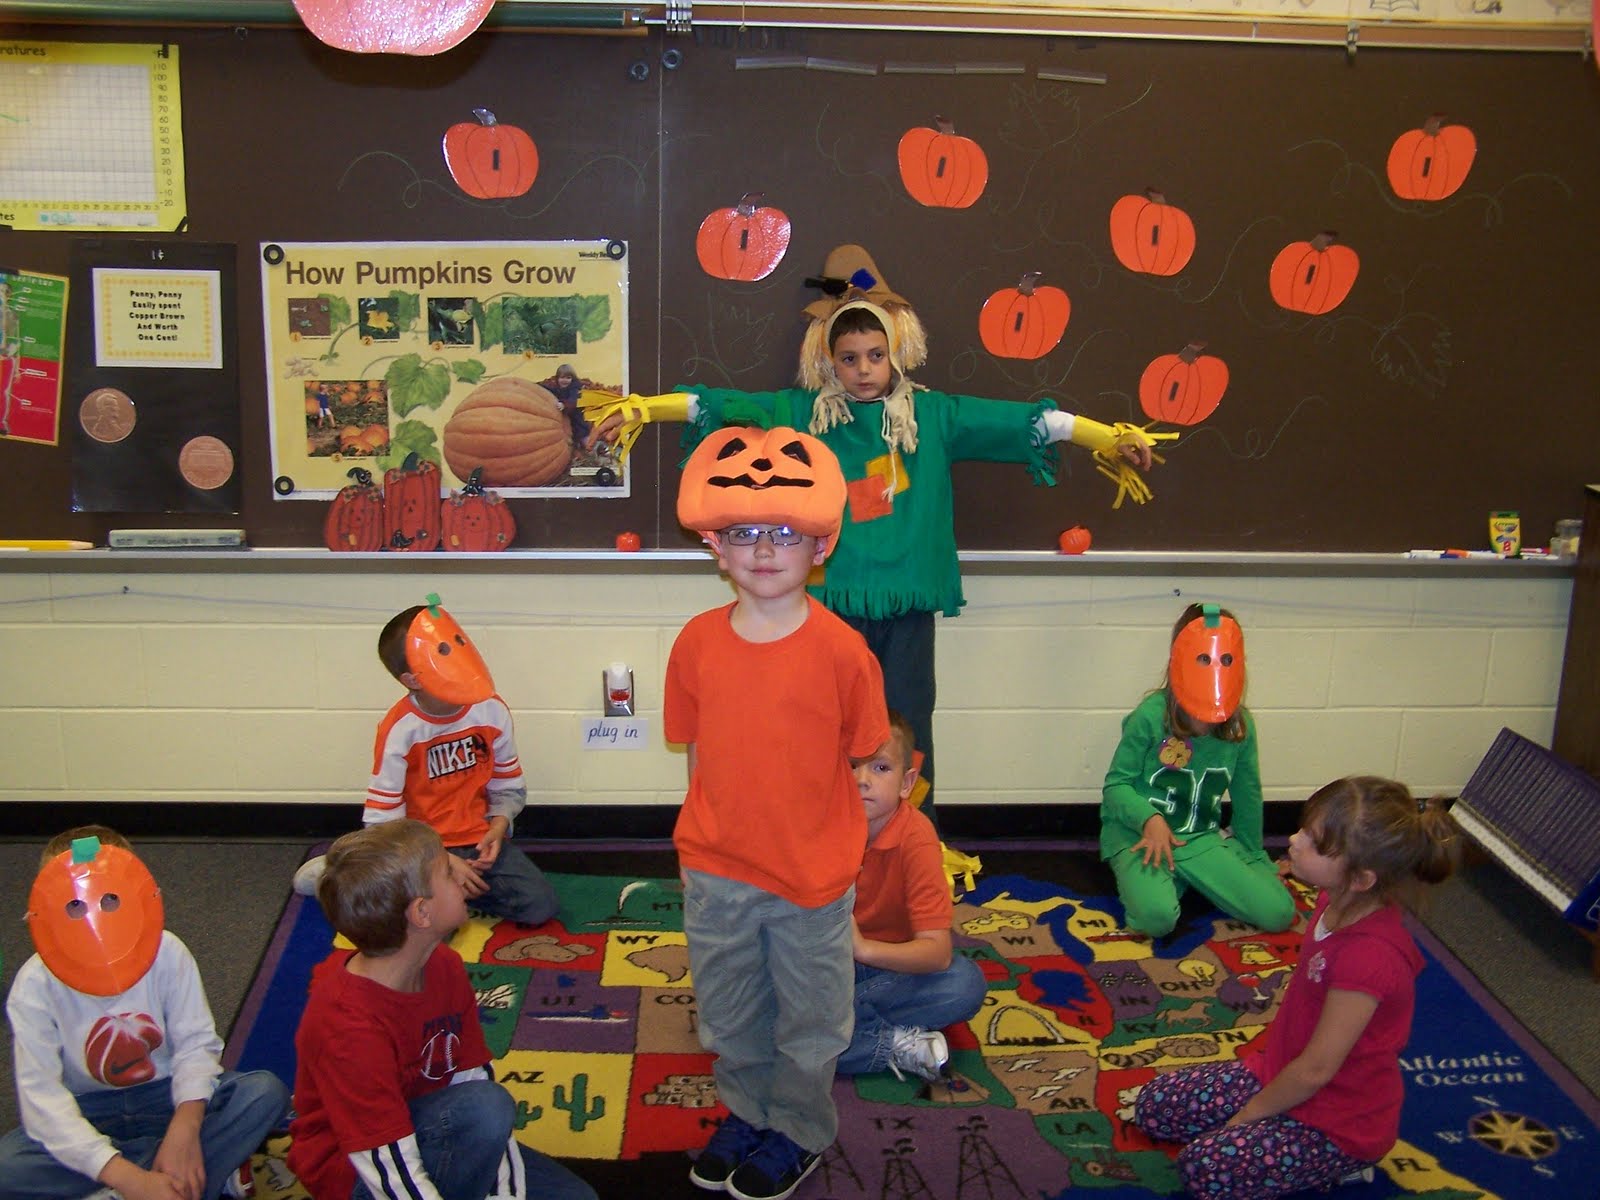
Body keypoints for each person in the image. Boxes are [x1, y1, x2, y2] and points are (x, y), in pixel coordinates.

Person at [585, 244, 1169, 828]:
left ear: (895, 353)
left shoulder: (935, 416)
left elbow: (1028, 422)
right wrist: (644, 409)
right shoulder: (804, 413)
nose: (863, 369)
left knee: (908, 725)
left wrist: (1106, 437)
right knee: (826, 724)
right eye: (848, 358)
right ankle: (827, 836)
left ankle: (914, 839)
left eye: (875, 355)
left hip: (908, 606)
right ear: (829, 362)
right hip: (831, 605)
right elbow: (717, 404)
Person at [667, 424, 890, 1200]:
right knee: (728, 1014)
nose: (764, 549)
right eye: (744, 532)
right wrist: (697, 849)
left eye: (786, 533)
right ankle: (747, 1110)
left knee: (811, 1020)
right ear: (716, 546)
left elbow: (862, 757)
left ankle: (797, 1128)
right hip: (717, 870)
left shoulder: (844, 651)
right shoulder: (695, 643)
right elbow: (697, 753)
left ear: (821, 546)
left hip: (811, 879)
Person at [1132, 776, 1459, 1199]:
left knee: (1203, 1170)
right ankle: (1266, 1126)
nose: (1293, 840)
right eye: (1304, 828)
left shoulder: (1370, 959)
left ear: (1361, 879)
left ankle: (1346, 1165)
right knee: (1155, 1106)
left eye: (1314, 842)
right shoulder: (1332, 899)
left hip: (1336, 1121)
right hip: (1280, 1071)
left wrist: (1247, 1116)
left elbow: (1317, 1070)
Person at [288, 819, 596, 1200]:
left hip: (428, 1125)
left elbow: (474, 1083)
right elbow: (386, 1161)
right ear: (421, 913)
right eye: (449, 872)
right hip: (357, 1168)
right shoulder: (347, 1025)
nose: (463, 875)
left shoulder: (443, 966)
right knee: (486, 1108)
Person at [0, 825, 290, 1200]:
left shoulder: (167, 953)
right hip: (87, 1111)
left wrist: (186, 1127)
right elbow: (42, 1099)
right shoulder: (34, 985)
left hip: (165, 1098)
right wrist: (126, 1176)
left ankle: (149, 1180)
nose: (94, 918)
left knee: (264, 1093)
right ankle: (183, 1177)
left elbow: (196, 1046)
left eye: (110, 899)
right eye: (74, 905)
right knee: (7, 1166)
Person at [293, 601, 557, 928]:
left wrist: (498, 827)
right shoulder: (400, 729)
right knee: (428, 928)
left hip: (477, 841)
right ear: (412, 679)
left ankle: (447, 889)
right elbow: (382, 821)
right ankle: (343, 871)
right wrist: (438, 860)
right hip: (417, 848)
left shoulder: (491, 709)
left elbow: (508, 787)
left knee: (539, 906)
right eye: (443, 651)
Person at [1102, 602, 1295, 938]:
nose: (1214, 668)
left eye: (1225, 660)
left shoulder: (1240, 728)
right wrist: (1149, 819)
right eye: (1203, 659)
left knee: (1279, 913)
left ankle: (1190, 874)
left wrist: (1254, 858)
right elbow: (1116, 786)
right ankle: (1172, 880)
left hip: (1199, 838)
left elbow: (1248, 797)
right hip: (1139, 836)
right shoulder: (1150, 716)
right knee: (1155, 920)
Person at [836, 711, 986, 1084]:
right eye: (851, 765)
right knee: (740, 1010)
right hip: (824, 969)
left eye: (880, 767)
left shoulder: (916, 837)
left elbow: (937, 953)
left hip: (890, 967)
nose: (862, 779)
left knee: (964, 983)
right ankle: (885, 1040)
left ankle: (830, 1031)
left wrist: (862, 949)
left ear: (906, 783)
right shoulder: (818, 824)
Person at [546, 363, 589, 446]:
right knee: (572, 437)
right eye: (562, 377)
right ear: (557, 378)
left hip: (577, 417)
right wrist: (537, 386)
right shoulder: (558, 387)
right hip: (567, 418)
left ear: (573, 378)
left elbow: (573, 401)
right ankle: (576, 445)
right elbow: (551, 390)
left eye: (568, 378)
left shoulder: (574, 388)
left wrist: (564, 405)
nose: (565, 380)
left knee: (583, 436)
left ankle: (594, 446)